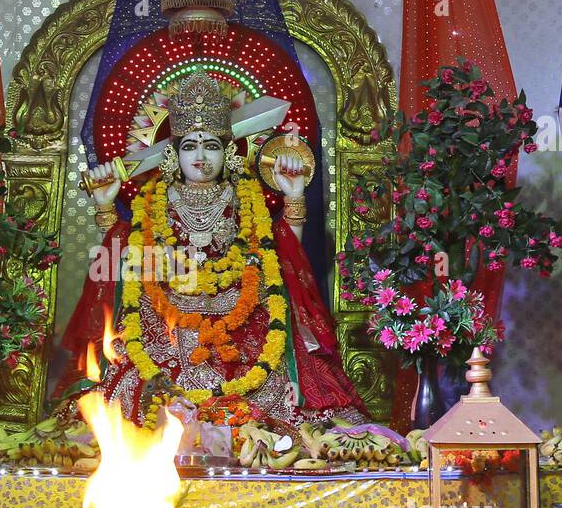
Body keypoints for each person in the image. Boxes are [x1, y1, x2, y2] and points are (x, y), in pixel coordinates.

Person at [63, 70, 360, 424]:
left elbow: (282, 260)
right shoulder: (156, 200)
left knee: (276, 386)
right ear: (172, 155)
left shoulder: (245, 200)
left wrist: (294, 196)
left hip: (243, 319)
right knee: (130, 382)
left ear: (229, 152)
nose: (200, 156)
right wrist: (105, 207)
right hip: (166, 319)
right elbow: (126, 262)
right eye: (189, 146)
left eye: (211, 145)